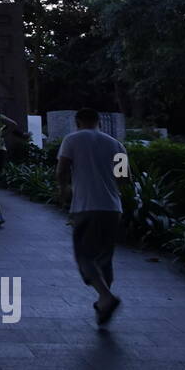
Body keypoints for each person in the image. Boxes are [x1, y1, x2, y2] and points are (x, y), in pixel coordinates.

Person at [56, 107, 127, 326]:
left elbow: (62, 170)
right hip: (113, 208)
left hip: (86, 206)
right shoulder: (117, 144)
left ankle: (105, 297)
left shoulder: (72, 140)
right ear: (100, 122)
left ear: (77, 122)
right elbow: (124, 178)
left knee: (85, 256)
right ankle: (104, 301)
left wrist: (62, 192)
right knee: (105, 259)